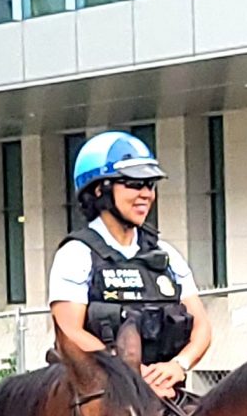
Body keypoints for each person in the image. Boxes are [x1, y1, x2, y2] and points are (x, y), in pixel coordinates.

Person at [47, 131, 209, 398]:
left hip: (168, 396)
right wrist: (134, 375)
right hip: (103, 407)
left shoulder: (166, 254)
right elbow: (69, 333)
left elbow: (202, 326)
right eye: (133, 184)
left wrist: (178, 366)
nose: (146, 193)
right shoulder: (76, 254)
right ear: (100, 189)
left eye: (150, 184)